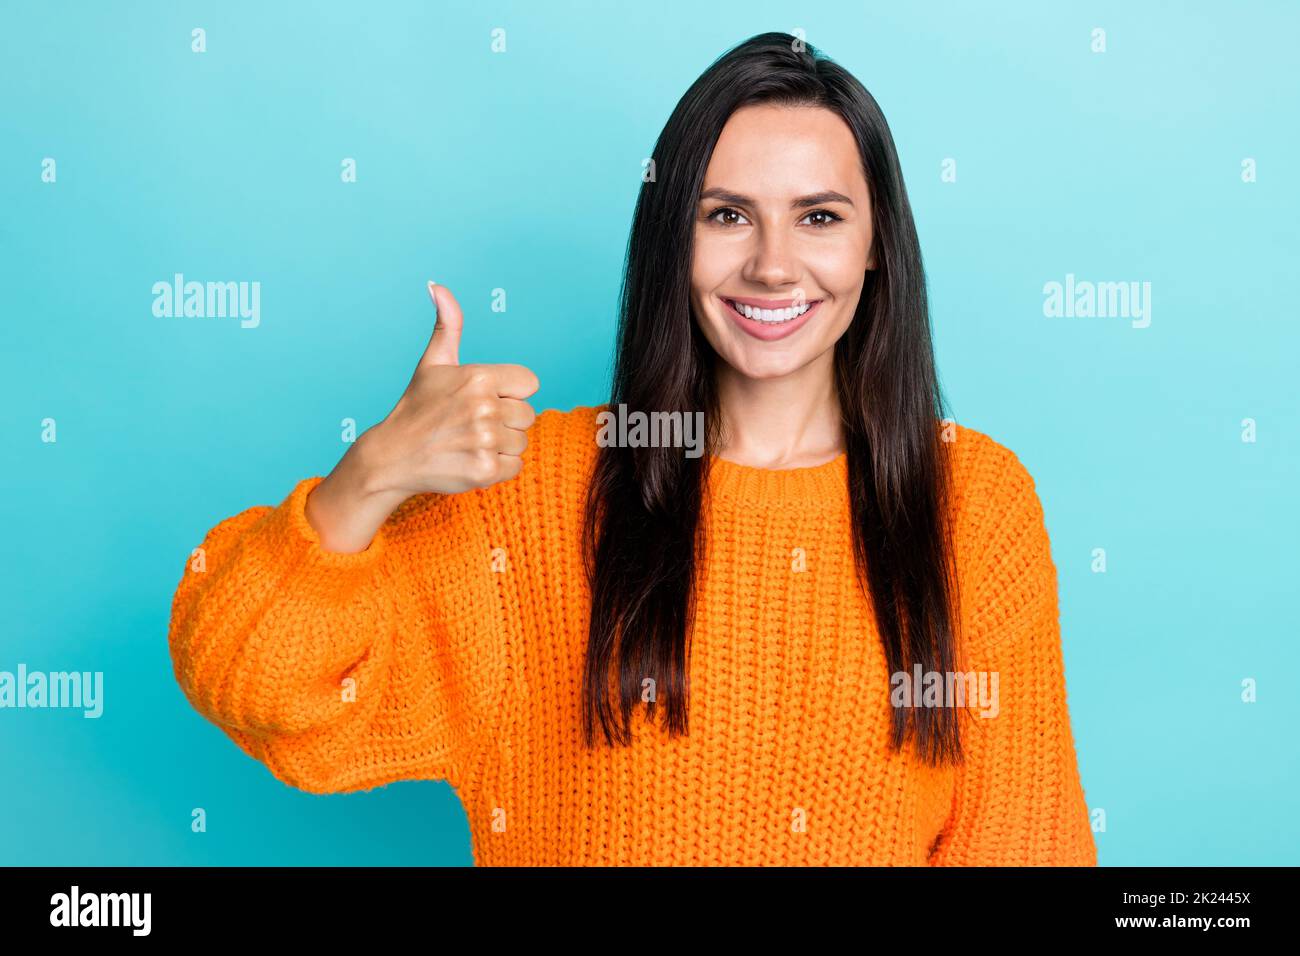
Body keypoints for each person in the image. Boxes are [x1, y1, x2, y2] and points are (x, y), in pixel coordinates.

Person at [168, 31, 1097, 866]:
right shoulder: (531, 496)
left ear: (877, 246)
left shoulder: (971, 502)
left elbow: (1025, 846)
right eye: (725, 214)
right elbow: (251, 680)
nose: (773, 264)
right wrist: (370, 477)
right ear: (671, 239)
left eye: (819, 216)